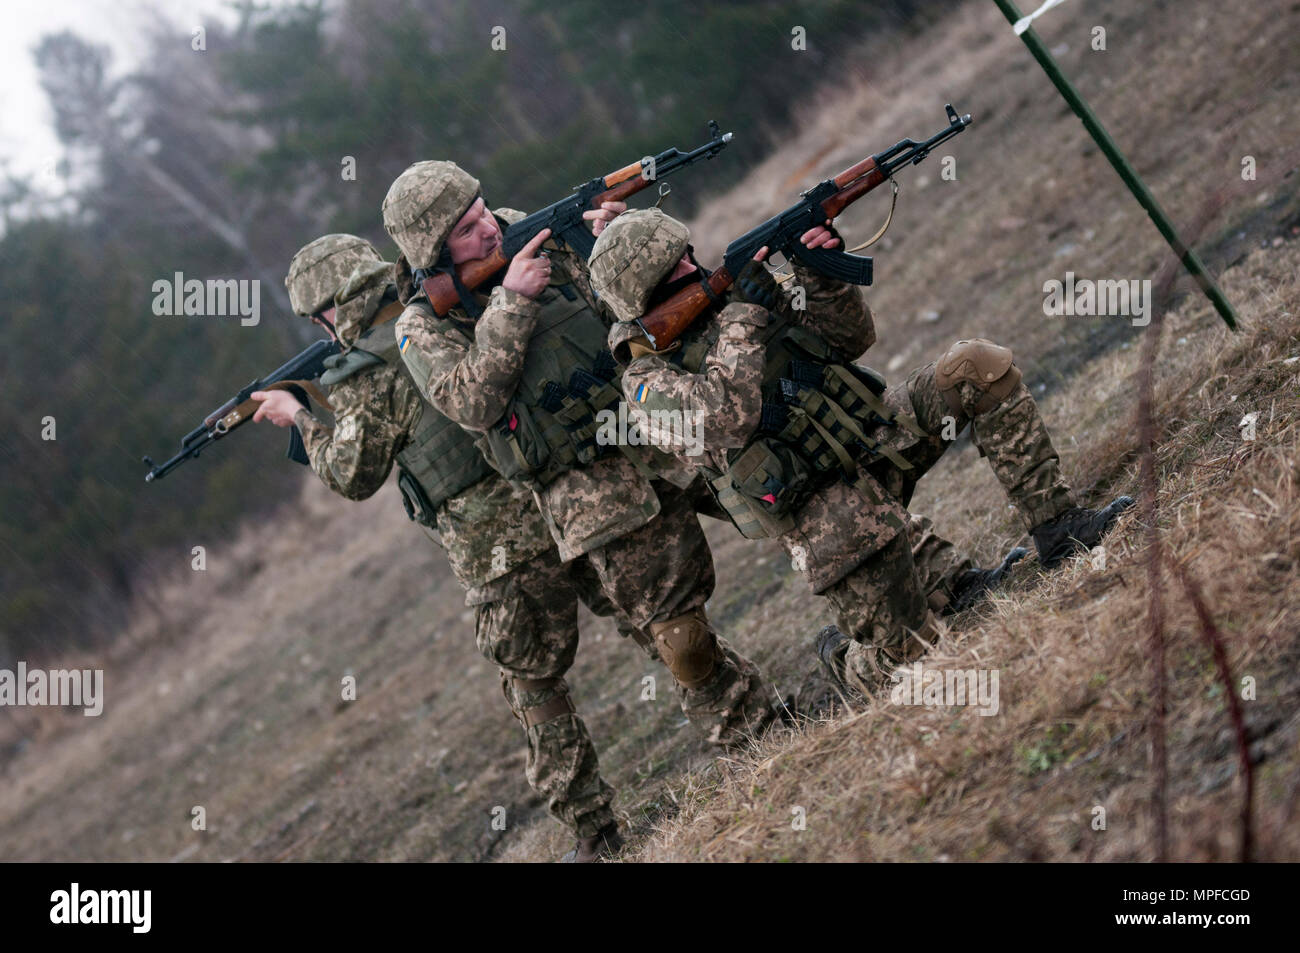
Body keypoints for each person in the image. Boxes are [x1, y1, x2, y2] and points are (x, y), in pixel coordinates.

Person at [586, 208, 1132, 694]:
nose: (691, 269)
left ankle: (1058, 528)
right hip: (824, 515)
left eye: (686, 255)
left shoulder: (739, 295)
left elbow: (850, 339)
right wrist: (743, 318)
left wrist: (821, 275)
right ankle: (848, 662)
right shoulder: (644, 382)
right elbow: (724, 417)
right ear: (642, 298)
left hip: (877, 436)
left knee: (976, 366)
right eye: (672, 272)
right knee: (918, 659)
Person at [251, 233, 646, 861]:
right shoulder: (439, 310)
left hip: (495, 551)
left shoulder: (360, 375)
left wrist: (298, 417)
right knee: (644, 611)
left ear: (328, 308)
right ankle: (740, 709)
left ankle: (595, 831)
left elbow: (353, 475)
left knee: (534, 687)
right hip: (555, 493)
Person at [384, 162, 783, 770]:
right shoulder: (421, 324)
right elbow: (470, 403)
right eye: (466, 231)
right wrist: (511, 303)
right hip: (589, 487)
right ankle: (759, 744)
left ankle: (914, 599)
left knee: (798, 498)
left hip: (663, 424)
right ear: (432, 251)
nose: (489, 229)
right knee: (677, 632)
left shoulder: (533, 233)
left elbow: (618, 306)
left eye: (483, 209)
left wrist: (614, 245)